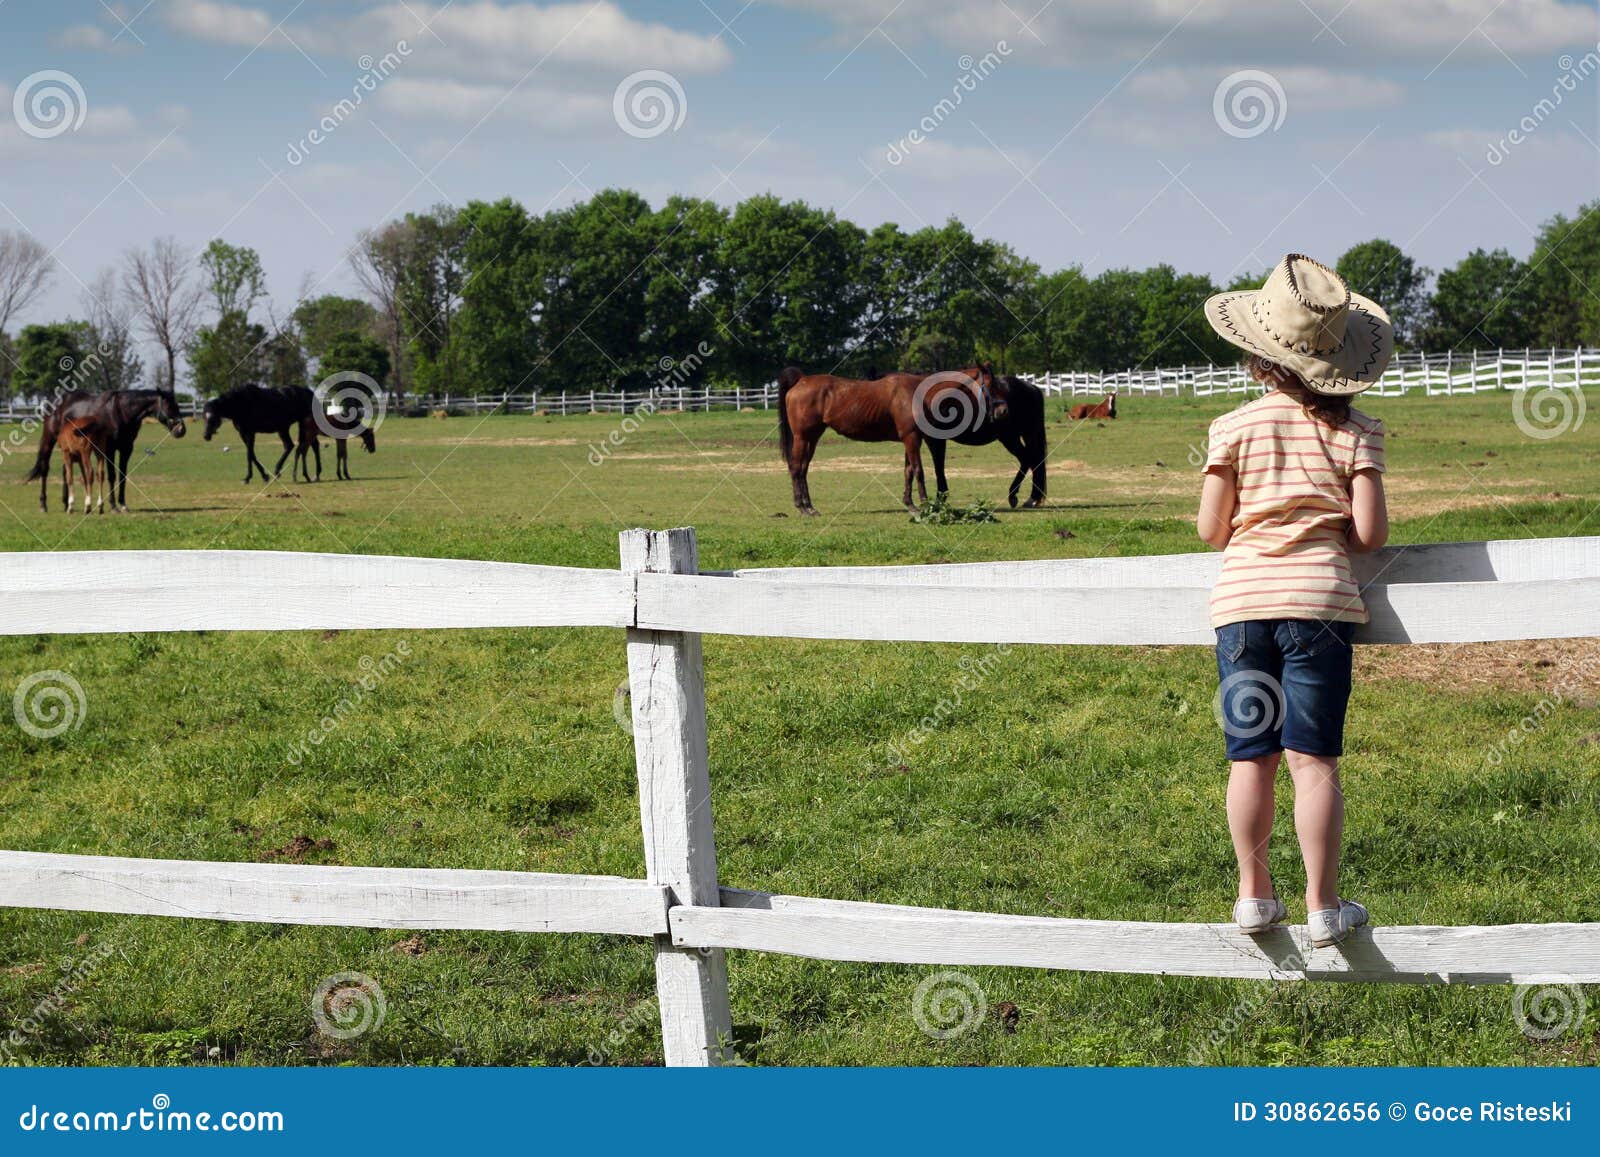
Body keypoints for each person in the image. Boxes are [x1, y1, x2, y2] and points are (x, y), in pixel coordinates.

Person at [1195, 254, 1393, 948]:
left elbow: (1210, 529)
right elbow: (1370, 536)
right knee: (1314, 763)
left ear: (1260, 355)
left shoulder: (1232, 427)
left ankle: (1253, 895)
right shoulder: (1357, 431)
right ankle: (1323, 904)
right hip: (1320, 609)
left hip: (1242, 609)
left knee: (1250, 759)